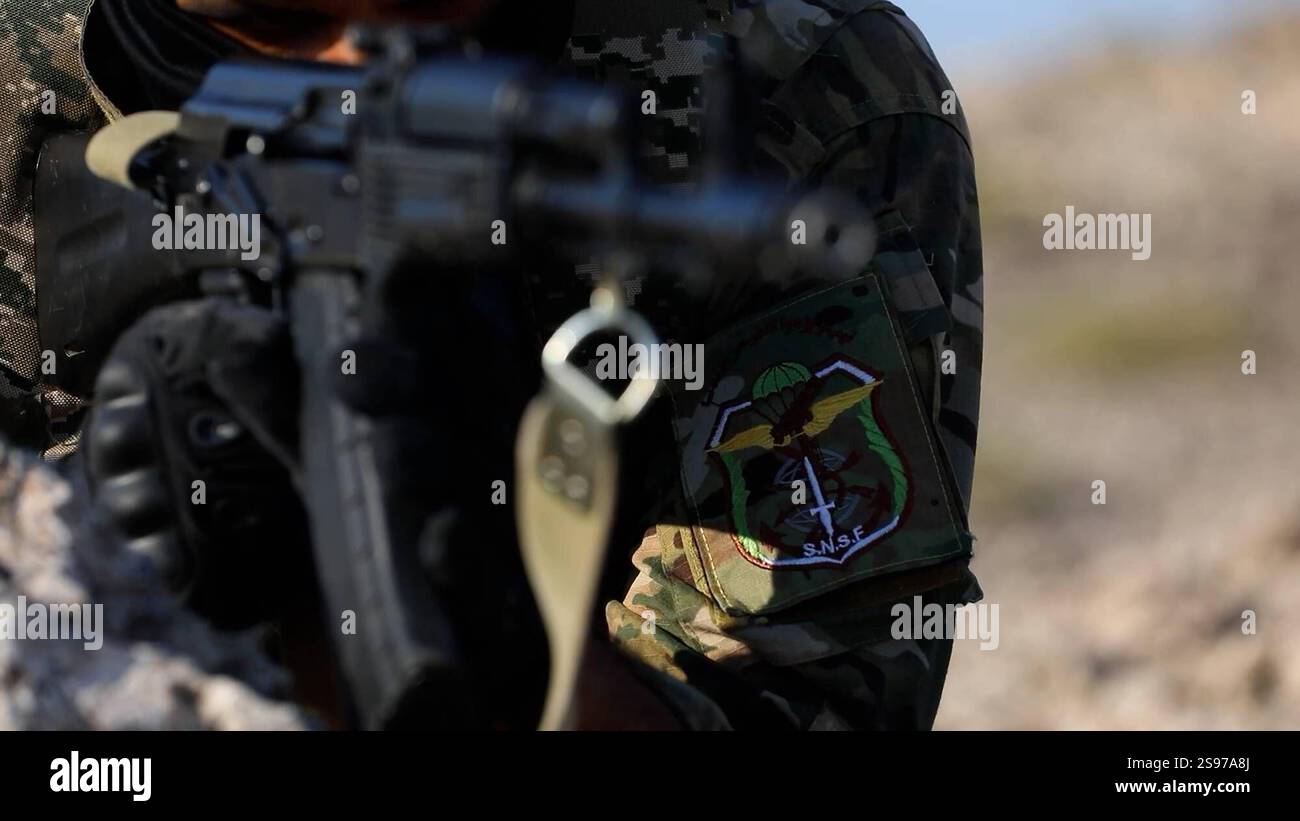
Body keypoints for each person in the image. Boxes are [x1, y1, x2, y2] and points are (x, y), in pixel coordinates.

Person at [0, 0, 984, 729]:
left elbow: (807, 702)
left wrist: (481, 629)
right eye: (288, 26)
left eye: (422, 15)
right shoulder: (21, 77)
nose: (355, 64)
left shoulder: (790, 80)